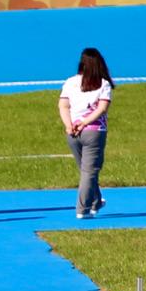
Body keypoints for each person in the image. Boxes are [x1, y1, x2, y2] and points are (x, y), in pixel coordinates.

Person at [59, 47, 114, 219]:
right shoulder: (103, 84)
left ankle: (95, 201)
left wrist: (69, 125)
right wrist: (85, 122)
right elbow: (102, 108)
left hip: (73, 133)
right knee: (89, 171)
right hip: (94, 132)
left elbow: (63, 105)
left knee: (86, 170)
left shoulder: (70, 82)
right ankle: (82, 209)